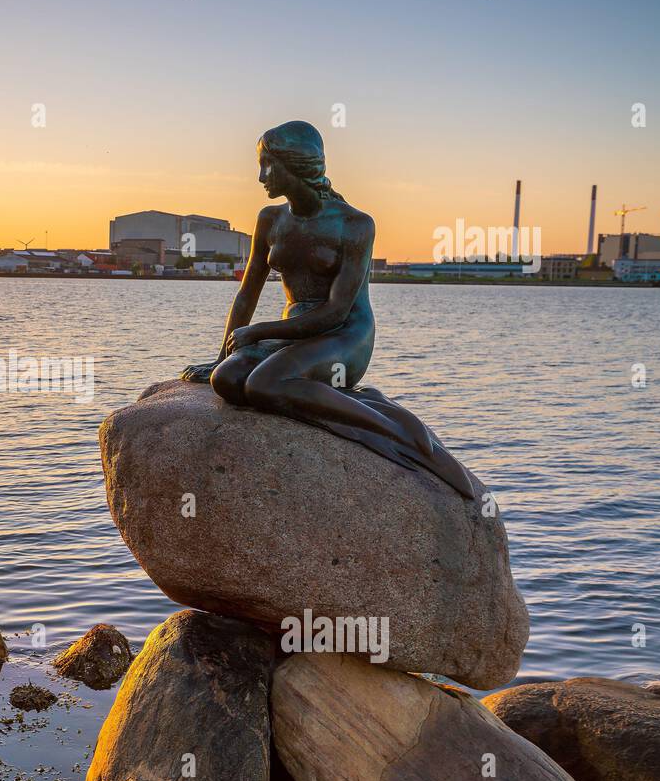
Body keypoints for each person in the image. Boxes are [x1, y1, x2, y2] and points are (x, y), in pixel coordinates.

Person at [182, 120, 474, 498]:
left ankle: (401, 433)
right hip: (294, 334)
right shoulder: (270, 219)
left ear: (297, 165)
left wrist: (258, 333)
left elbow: (337, 311)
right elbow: (247, 293)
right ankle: (348, 398)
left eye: (268, 165)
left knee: (264, 383)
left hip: (344, 336)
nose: (260, 177)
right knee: (227, 379)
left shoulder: (354, 225)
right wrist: (221, 355)